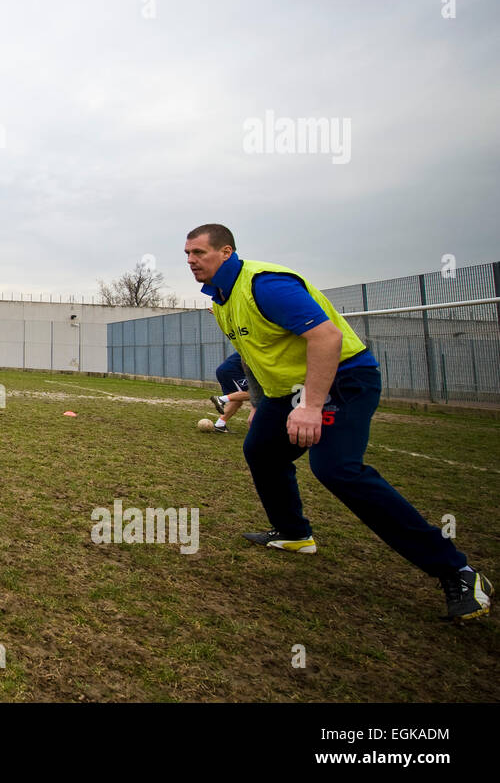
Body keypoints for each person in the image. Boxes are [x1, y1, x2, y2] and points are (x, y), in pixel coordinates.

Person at [185, 223, 491, 621]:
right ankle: (294, 535)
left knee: (336, 469)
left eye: (199, 253)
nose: (191, 261)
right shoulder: (221, 301)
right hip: (289, 393)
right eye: (187, 255)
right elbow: (254, 355)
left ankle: (458, 570)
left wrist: (311, 406)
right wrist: (261, 405)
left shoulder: (266, 285)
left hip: (344, 381)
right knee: (261, 450)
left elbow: (326, 338)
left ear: (226, 252)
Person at [209, 349, 251, 432]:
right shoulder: (258, 347)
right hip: (231, 371)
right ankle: (221, 399)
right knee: (252, 394)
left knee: (237, 400)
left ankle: (219, 425)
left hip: (224, 370)